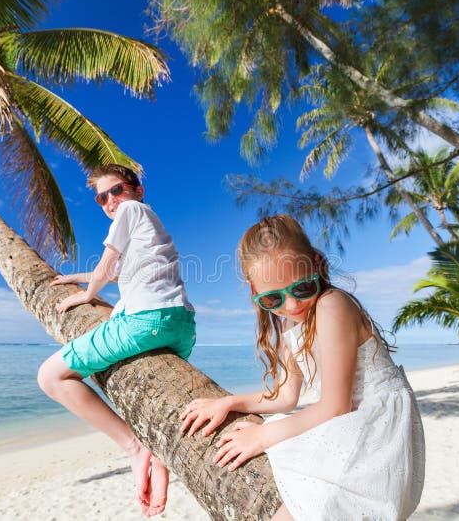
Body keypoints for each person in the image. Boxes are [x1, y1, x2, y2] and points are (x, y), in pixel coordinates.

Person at [179, 215, 424, 520]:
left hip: (377, 429)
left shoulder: (332, 304)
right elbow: (285, 397)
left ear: (317, 264)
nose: (292, 305)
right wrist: (229, 401)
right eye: (272, 298)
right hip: (352, 420)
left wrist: (262, 436)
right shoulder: (290, 327)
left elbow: (336, 407)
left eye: (303, 287)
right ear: (253, 289)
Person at [38, 164, 196, 517]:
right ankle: (158, 457)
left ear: (137, 191)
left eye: (118, 190)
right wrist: (74, 279)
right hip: (180, 325)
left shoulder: (131, 210)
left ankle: (134, 447)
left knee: (50, 377)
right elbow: (116, 272)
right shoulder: (146, 226)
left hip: (148, 321)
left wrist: (84, 295)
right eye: (101, 197)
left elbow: (108, 263)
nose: (111, 200)